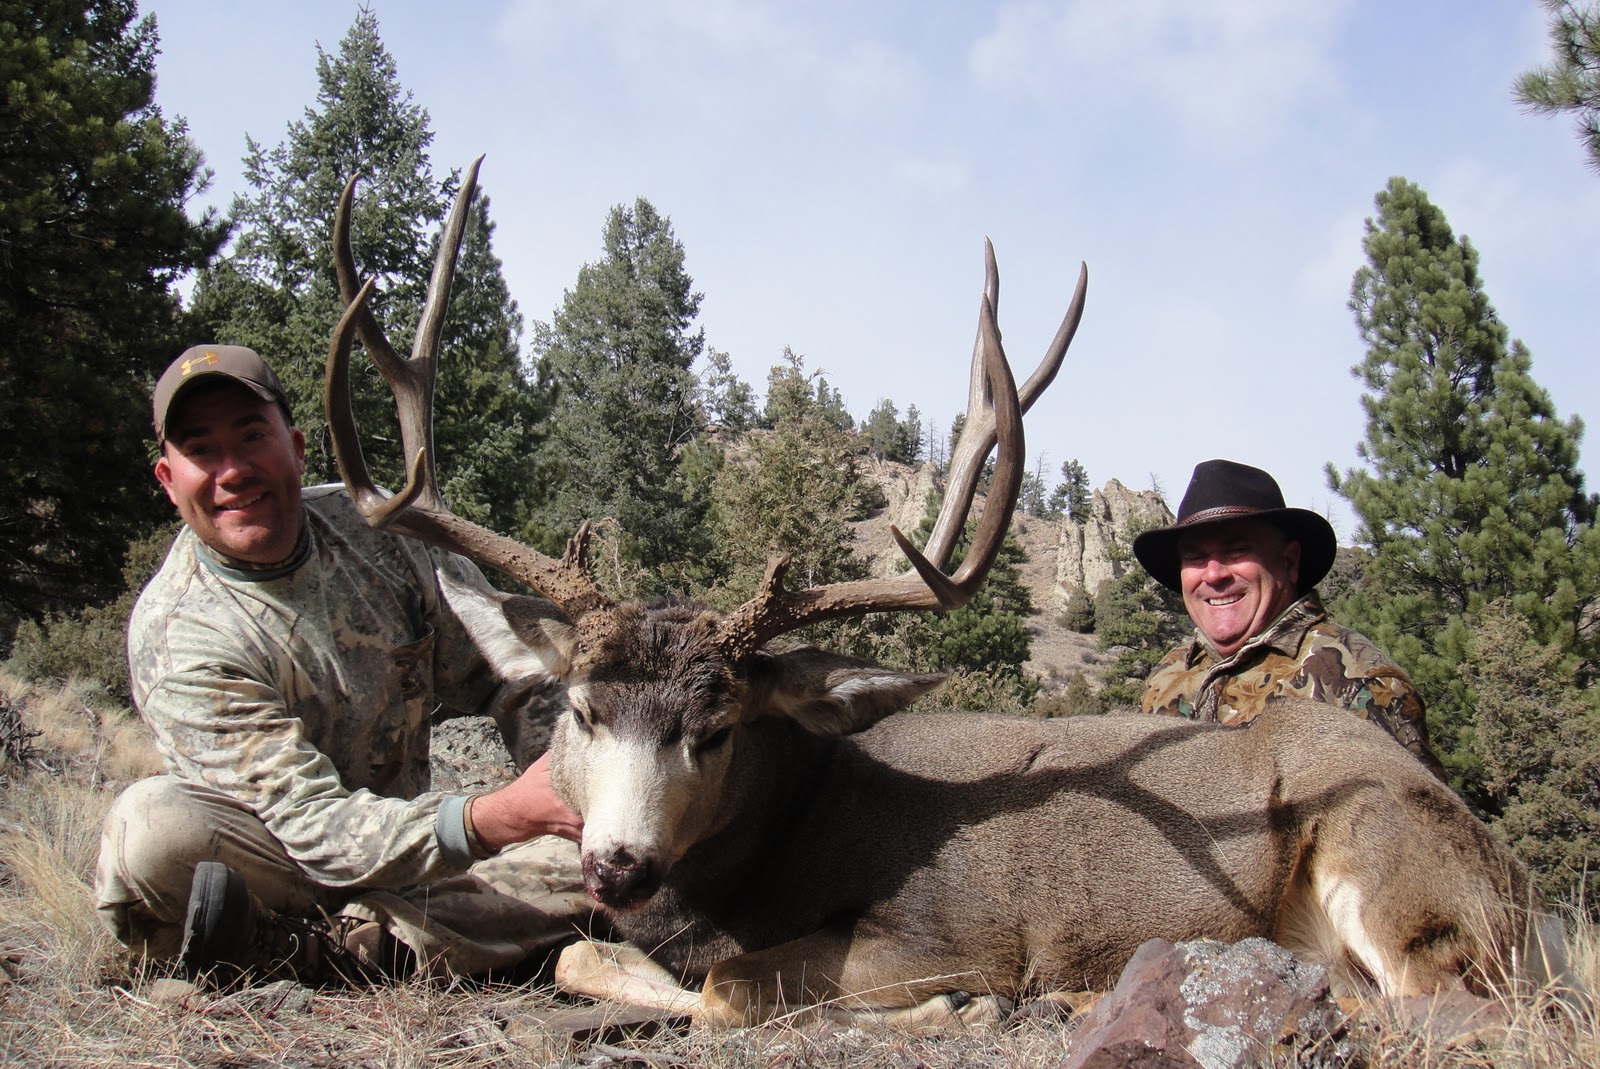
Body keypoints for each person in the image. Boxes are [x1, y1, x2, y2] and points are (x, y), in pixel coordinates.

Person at [94, 344, 597, 986]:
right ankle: (372, 938)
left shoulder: (383, 531)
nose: (233, 470)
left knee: (624, 828)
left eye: (252, 436)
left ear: (297, 448)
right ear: (169, 480)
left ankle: (344, 951)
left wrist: (566, 781)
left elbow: (517, 677)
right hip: (281, 864)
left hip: (416, 848)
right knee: (153, 832)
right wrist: (494, 818)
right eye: (201, 450)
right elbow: (306, 822)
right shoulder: (180, 633)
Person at [1132, 459, 1446, 779]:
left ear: (1289, 560)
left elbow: (1416, 822)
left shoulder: (1354, 681)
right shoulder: (1168, 675)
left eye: (1237, 551)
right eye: (1195, 557)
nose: (1213, 574)